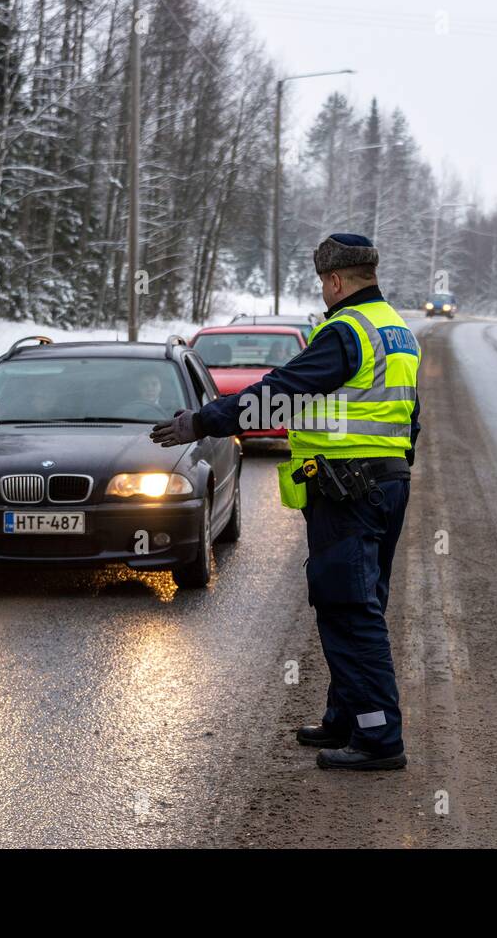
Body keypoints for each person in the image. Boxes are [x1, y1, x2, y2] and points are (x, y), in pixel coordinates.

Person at [150, 233, 420, 771]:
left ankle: (378, 736)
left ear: (336, 281)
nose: (324, 292)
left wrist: (202, 421)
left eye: (324, 282)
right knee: (358, 601)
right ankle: (345, 716)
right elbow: (409, 416)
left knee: (349, 608)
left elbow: (279, 391)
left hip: (349, 489)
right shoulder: (398, 330)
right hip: (384, 484)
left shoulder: (345, 332)